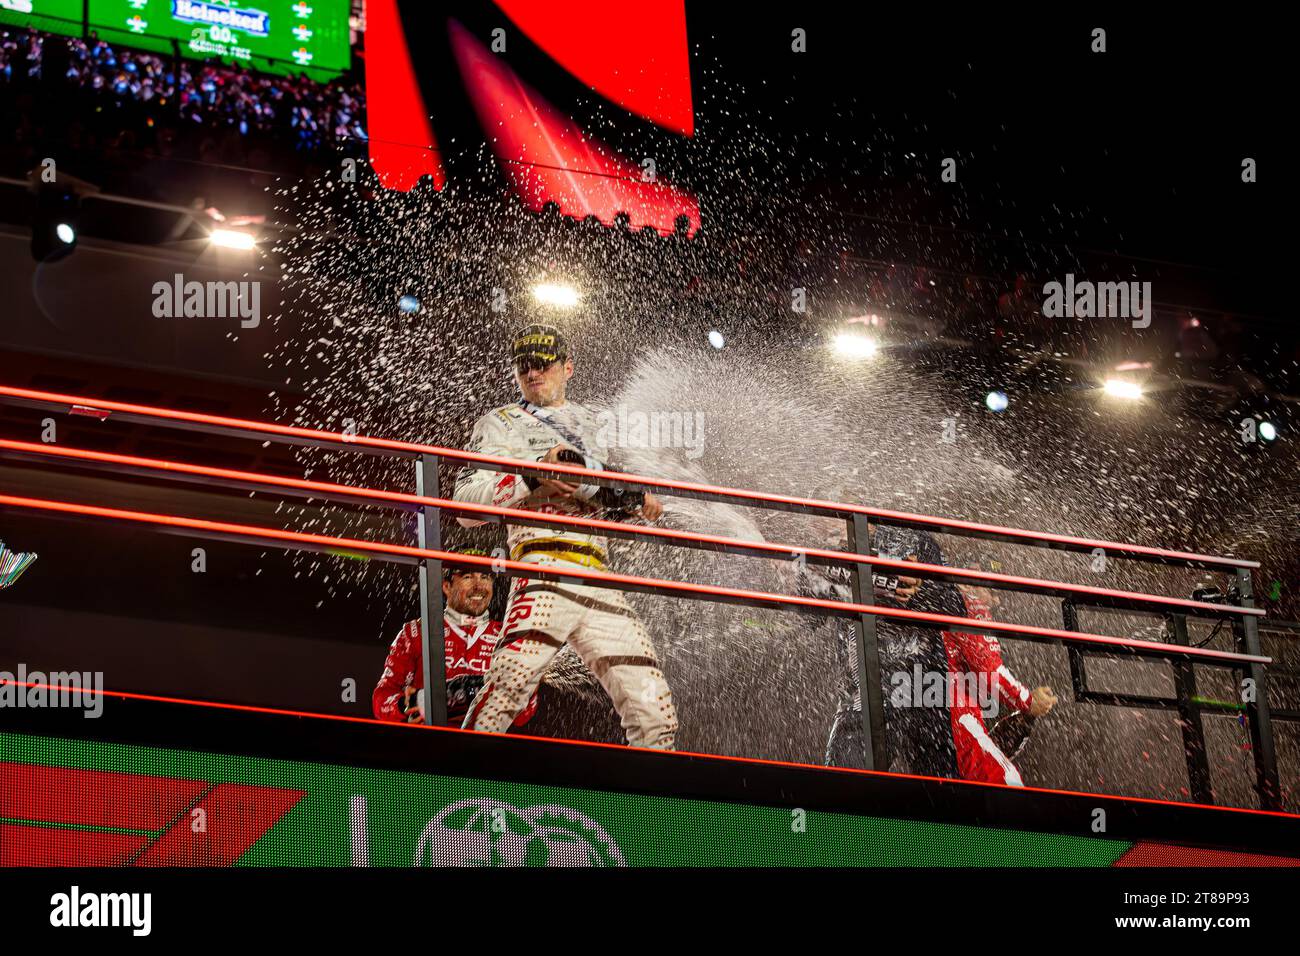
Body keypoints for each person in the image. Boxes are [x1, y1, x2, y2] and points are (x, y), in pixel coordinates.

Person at [453, 324, 678, 750]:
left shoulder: (596, 423)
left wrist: (638, 503)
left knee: (655, 712)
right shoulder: (500, 423)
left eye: (542, 363)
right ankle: (448, 794)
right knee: (507, 691)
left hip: (600, 579)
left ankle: (647, 812)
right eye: (523, 365)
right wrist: (531, 474)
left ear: (568, 367)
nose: (532, 372)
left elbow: (611, 497)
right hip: (542, 569)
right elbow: (464, 506)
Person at [799, 524, 965, 776]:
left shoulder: (915, 541)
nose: (830, 526)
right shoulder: (827, 553)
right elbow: (809, 619)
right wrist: (799, 576)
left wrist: (921, 590)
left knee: (941, 795)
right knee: (843, 786)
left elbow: (956, 608)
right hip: (864, 691)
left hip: (924, 689)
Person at [372, 546, 537, 727]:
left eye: (485, 577)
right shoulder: (416, 631)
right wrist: (415, 702)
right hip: (429, 745)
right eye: (467, 577)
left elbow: (524, 716)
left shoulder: (508, 638)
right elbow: (381, 700)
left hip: (484, 748)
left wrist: (527, 685)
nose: (479, 586)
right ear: (447, 586)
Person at [942, 568, 1057, 786]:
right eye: (993, 591)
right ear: (974, 582)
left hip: (932, 705)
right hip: (950, 709)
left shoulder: (944, 599)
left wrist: (1025, 716)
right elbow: (989, 669)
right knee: (1006, 780)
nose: (995, 600)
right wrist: (1028, 700)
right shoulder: (968, 604)